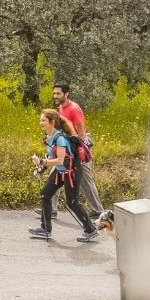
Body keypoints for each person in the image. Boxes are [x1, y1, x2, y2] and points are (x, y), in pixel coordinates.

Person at [30, 108, 98, 243]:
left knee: (72, 203)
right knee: (45, 194)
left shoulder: (60, 138)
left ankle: (90, 230)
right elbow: (52, 156)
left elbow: (60, 160)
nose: (40, 123)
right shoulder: (50, 137)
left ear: (52, 122)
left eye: (43, 120)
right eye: (40, 120)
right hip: (61, 172)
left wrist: (42, 161)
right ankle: (45, 229)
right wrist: (41, 168)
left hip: (72, 173)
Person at [52, 81, 107, 222]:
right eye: (54, 93)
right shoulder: (61, 107)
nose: (55, 96)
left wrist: (79, 153)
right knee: (55, 173)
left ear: (66, 94)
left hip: (77, 150)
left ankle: (97, 211)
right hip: (67, 148)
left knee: (86, 181)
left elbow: (81, 133)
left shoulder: (73, 109)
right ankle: (50, 208)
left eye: (58, 93)